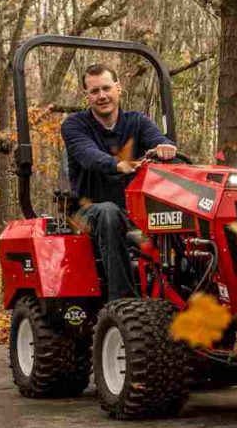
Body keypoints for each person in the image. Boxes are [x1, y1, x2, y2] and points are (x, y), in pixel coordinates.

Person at [61, 63, 178, 301]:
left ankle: (182, 292)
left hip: (133, 212)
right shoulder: (74, 125)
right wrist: (117, 164)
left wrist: (164, 147)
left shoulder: (137, 122)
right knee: (108, 212)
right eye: (95, 91)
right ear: (87, 96)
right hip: (86, 209)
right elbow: (86, 154)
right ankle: (123, 302)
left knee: (180, 217)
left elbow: (157, 139)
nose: (102, 96)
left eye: (106, 88)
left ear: (118, 89)